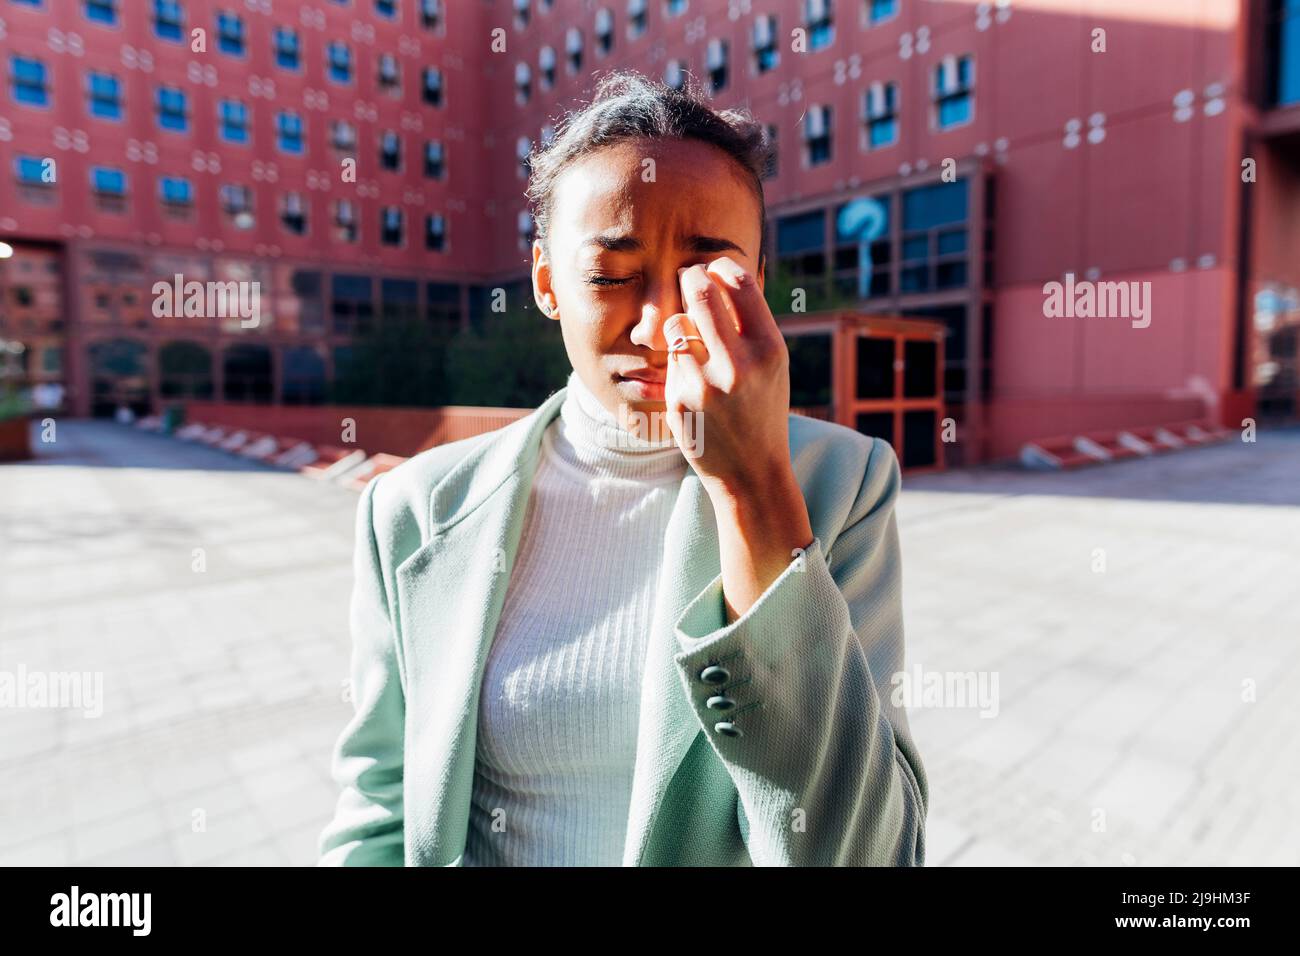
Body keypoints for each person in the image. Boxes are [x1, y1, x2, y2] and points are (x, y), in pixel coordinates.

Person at [318, 70, 927, 867]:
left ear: (757, 275)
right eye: (609, 276)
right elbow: (379, 817)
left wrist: (751, 490)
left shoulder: (842, 484)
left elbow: (870, 852)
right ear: (546, 283)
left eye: (705, 275)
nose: (658, 323)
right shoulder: (417, 507)